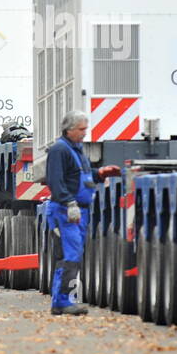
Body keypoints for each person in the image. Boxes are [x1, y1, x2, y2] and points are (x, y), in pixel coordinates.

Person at [44, 111, 120, 316]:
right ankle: (62, 301)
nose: (85, 133)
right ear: (69, 129)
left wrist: (100, 173)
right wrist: (69, 203)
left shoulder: (76, 150)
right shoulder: (60, 150)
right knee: (70, 255)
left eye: (85, 129)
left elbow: (80, 176)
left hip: (77, 212)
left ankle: (62, 301)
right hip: (66, 212)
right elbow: (56, 181)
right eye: (81, 129)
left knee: (71, 255)